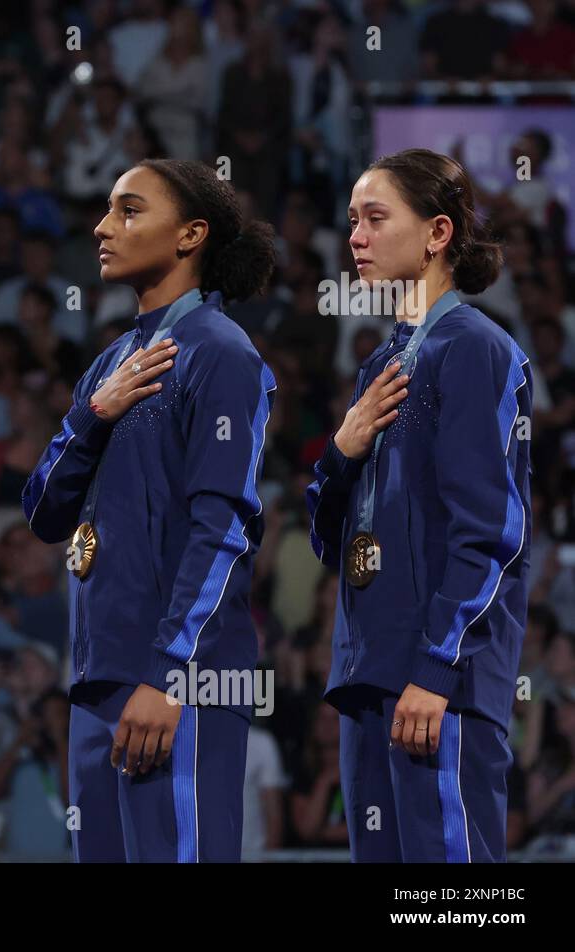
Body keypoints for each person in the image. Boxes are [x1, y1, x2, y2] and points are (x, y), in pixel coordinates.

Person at [23, 159, 278, 862]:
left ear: (191, 234)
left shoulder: (223, 354)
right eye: (106, 209)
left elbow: (223, 527)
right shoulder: (107, 366)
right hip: (98, 679)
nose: (104, 227)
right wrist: (89, 420)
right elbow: (43, 513)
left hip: (175, 680)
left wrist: (170, 674)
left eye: (130, 211)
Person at [306, 148, 530, 862]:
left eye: (376, 218)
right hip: (371, 673)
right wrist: (340, 452)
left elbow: (490, 531)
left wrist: (435, 671)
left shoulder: (473, 348)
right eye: (351, 221)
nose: (357, 238)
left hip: (440, 681)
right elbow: (329, 537)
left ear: (437, 233)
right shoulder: (381, 362)